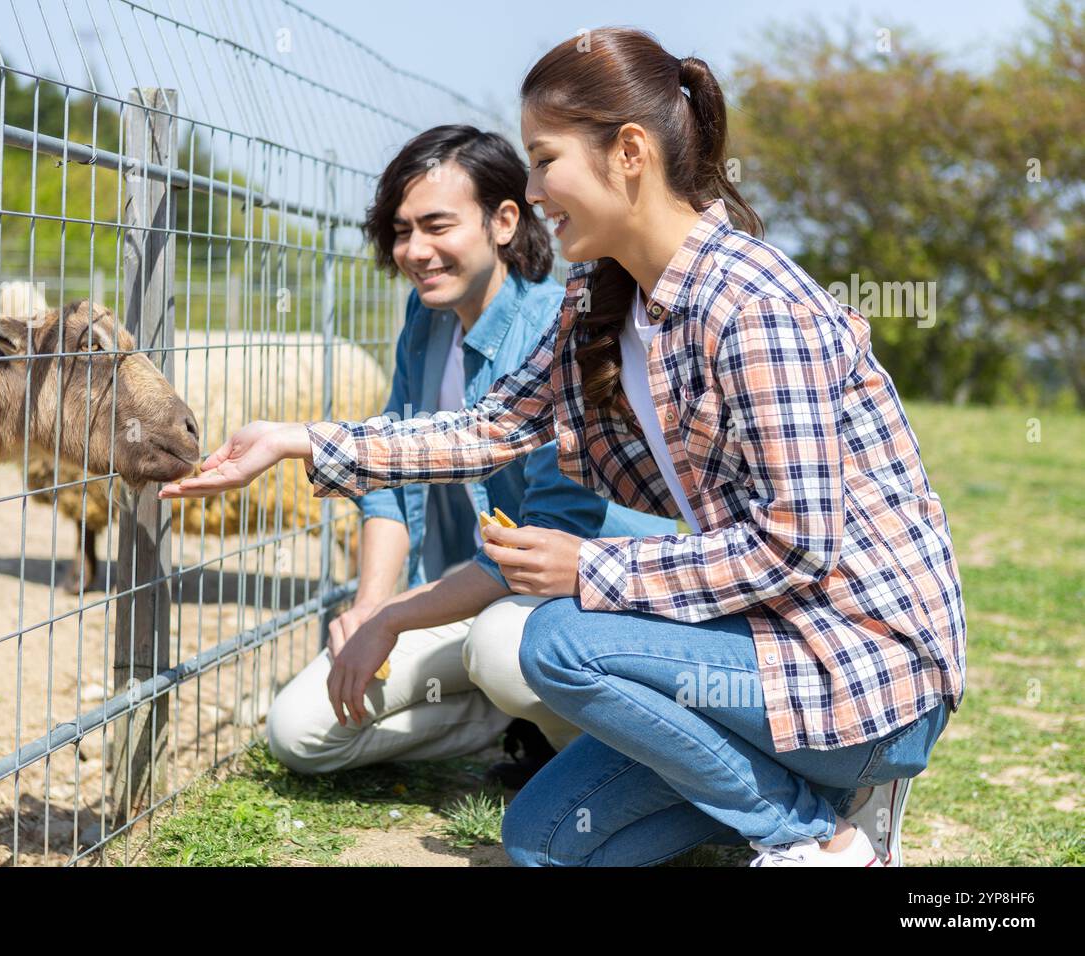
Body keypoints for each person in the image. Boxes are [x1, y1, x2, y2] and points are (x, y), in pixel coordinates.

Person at [160, 28, 966, 868]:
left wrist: (591, 571)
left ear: (628, 153)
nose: (537, 190)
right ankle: (800, 794)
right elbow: (487, 427)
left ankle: (815, 834)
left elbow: (795, 545)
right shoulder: (604, 298)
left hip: (858, 676)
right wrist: (294, 440)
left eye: (546, 161)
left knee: (557, 641)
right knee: (543, 840)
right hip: (754, 659)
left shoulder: (753, 305)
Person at [259, 125, 677, 788]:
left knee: (503, 653)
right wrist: (371, 608)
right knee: (299, 731)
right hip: (466, 594)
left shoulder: (554, 326)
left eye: (436, 225)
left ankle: (633, 771)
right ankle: (517, 725)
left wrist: (396, 618)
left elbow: (544, 538)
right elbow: (387, 480)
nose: (414, 251)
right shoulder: (423, 322)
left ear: (504, 221)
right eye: (401, 231)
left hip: (568, 598)